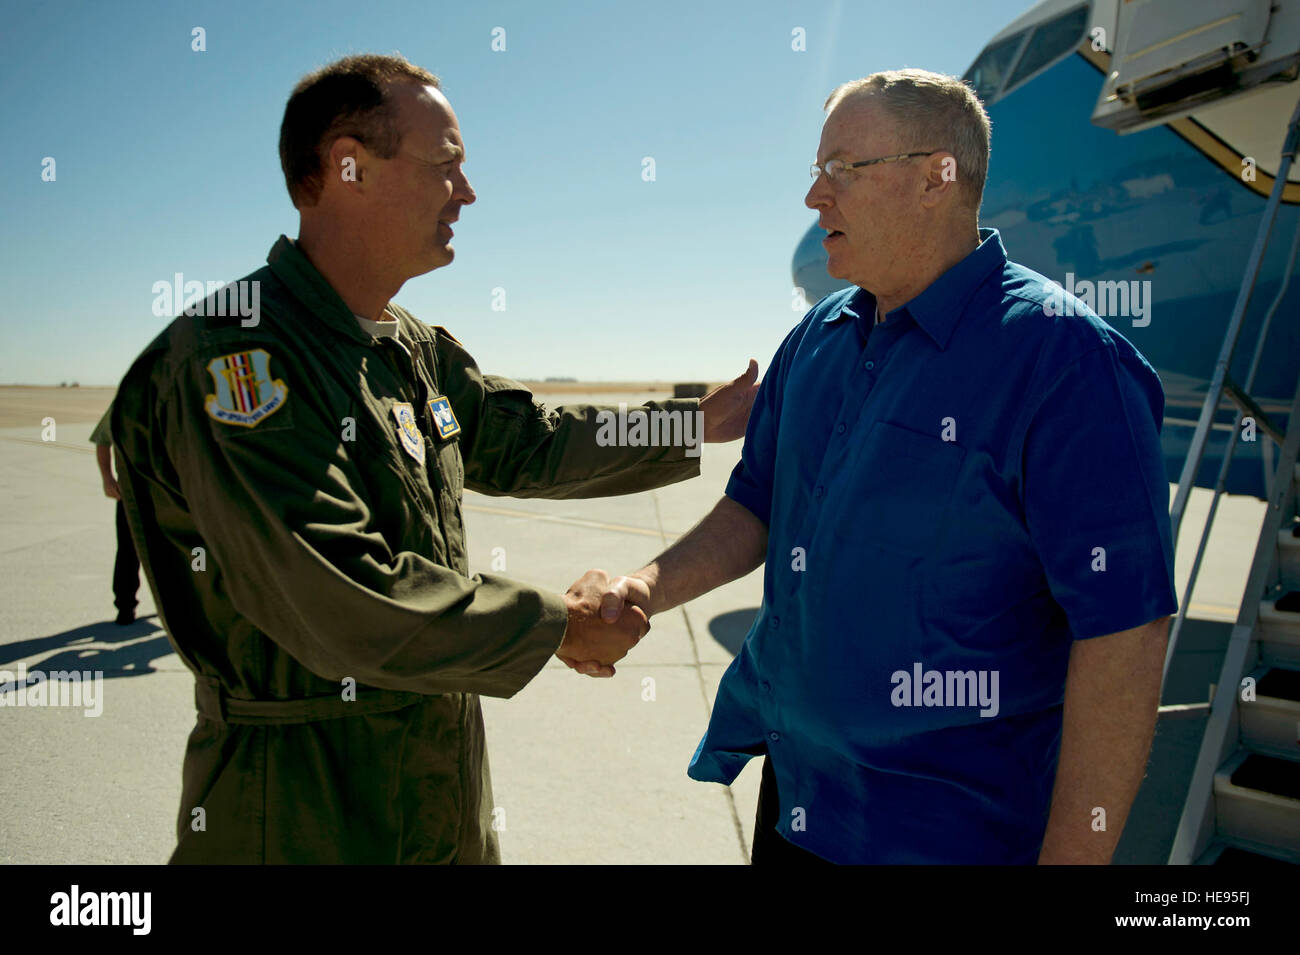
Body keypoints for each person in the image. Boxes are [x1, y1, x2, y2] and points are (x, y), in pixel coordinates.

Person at [110, 53, 757, 864]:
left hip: (436, 791)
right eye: (446, 163)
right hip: (302, 811)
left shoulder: (406, 346)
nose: (469, 191)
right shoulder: (237, 359)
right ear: (348, 165)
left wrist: (693, 424)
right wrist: (558, 624)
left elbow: (530, 439)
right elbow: (342, 594)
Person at [597, 69, 1177, 864]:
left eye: (842, 171)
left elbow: (1125, 632)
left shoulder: (1068, 363)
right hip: (798, 803)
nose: (814, 198)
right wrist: (645, 588)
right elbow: (756, 505)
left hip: (950, 835)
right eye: (815, 171)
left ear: (937, 177)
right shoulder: (816, 339)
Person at [89, 406, 140, 625]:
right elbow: (103, 439)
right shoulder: (128, 400)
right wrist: (107, 478)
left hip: (171, 492)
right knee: (128, 549)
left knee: (186, 551)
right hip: (132, 491)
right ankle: (125, 605)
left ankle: (181, 607)